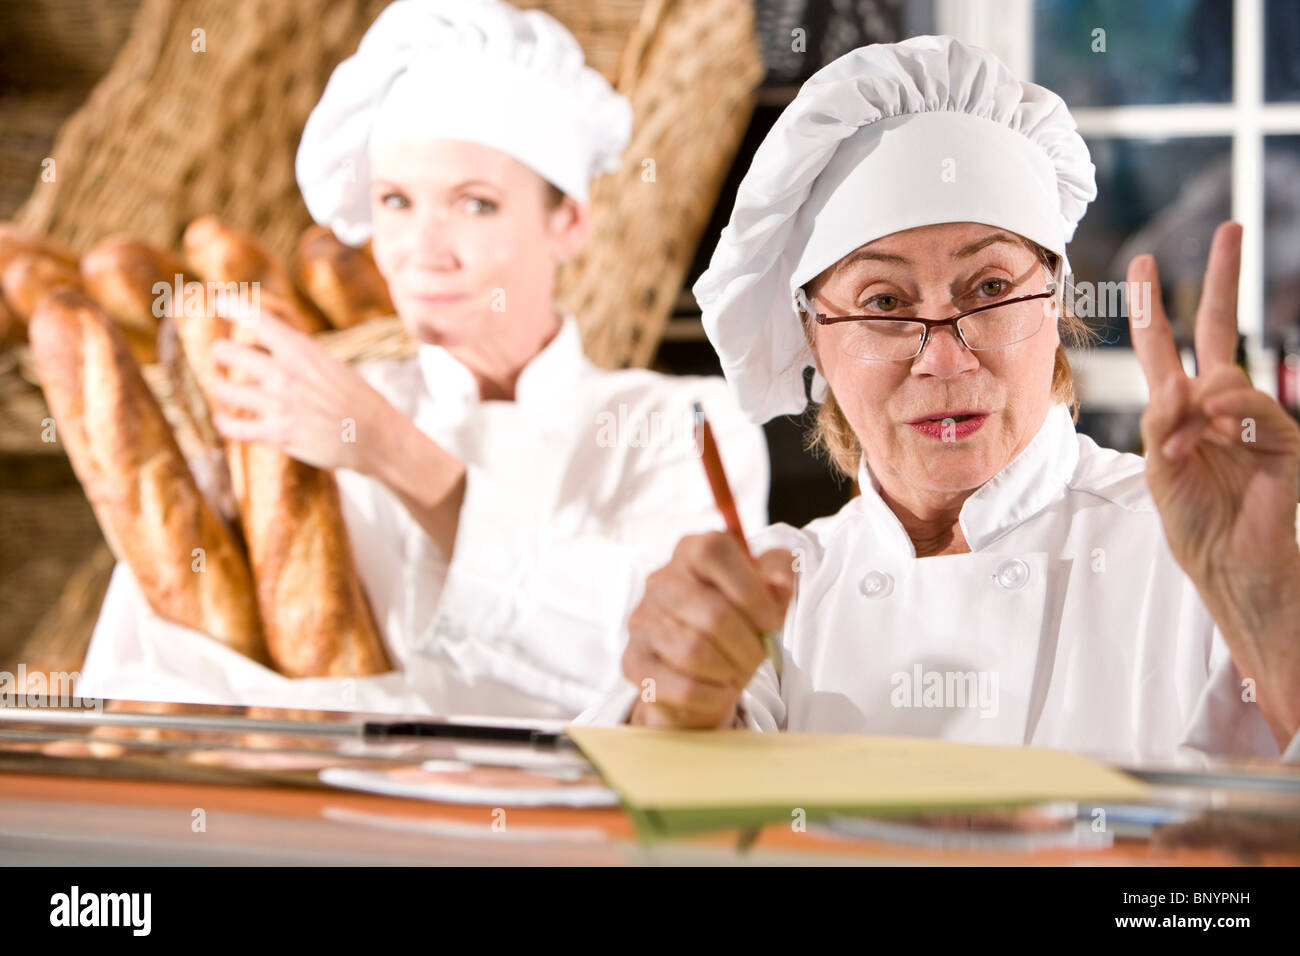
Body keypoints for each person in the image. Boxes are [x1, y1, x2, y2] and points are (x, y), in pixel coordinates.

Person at [578, 35, 1300, 766]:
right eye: (884, 302)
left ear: (1054, 299)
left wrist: (1269, 614)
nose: (945, 358)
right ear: (813, 338)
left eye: (989, 289)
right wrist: (676, 704)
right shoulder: (768, 596)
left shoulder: (1202, 548)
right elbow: (674, 828)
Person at [79, 0, 768, 719]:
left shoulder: (682, 425)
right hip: (330, 822)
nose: (423, 249)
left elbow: (659, 670)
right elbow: (152, 674)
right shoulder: (299, 408)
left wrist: (383, 446)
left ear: (567, 222)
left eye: (475, 205)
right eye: (396, 201)